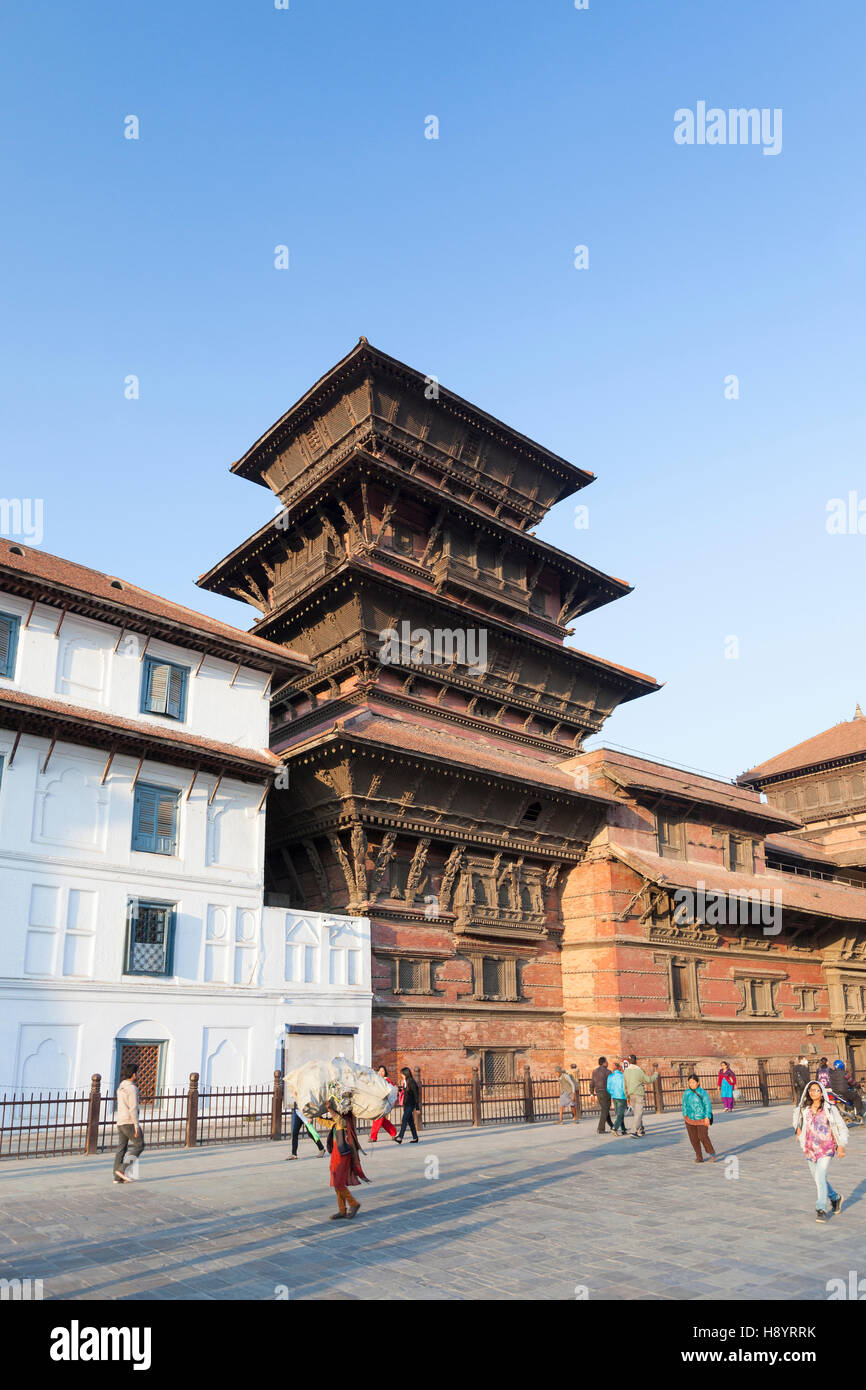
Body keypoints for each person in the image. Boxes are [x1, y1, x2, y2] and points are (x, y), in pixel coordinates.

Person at [793, 1080, 848, 1223]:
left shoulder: (830, 1109)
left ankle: (821, 1208)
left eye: (816, 1090)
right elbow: (797, 1121)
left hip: (826, 1148)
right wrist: (798, 1131)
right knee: (819, 1178)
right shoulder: (805, 1109)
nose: (813, 1092)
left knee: (820, 1176)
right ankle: (835, 1198)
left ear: (822, 1093)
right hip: (810, 1149)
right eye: (811, 1090)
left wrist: (841, 1145)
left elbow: (842, 1128)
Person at [322, 1085, 369, 1219]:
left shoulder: (345, 1118)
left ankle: (353, 1204)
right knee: (336, 1180)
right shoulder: (336, 1120)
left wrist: (330, 1110)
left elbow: (339, 1121)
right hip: (336, 1152)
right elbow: (328, 1123)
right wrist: (312, 1117)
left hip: (343, 1153)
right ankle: (342, 1210)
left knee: (338, 1181)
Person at [113, 1062, 144, 1184]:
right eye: (138, 1072)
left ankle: (117, 1177)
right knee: (139, 1145)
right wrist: (136, 1125)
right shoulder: (132, 1088)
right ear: (134, 1074)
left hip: (120, 1121)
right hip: (129, 1122)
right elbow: (133, 1108)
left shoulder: (121, 1086)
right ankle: (122, 1170)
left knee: (121, 1148)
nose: (138, 1074)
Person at [682, 1074, 716, 1163]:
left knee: (703, 1136)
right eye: (690, 1082)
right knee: (693, 1139)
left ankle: (711, 1153)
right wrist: (685, 1115)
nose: (691, 1084)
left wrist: (707, 1117)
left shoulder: (703, 1092)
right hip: (689, 1119)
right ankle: (699, 1156)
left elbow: (707, 1105)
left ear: (698, 1083)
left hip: (701, 1118)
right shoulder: (686, 1093)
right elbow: (684, 1105)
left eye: (693, 1082)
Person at [623, 1057, 658, 1138]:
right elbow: (648, 1080)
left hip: (631, 1094)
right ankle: (633, 1131)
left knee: (636, 1113)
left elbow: (624, 1085)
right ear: (636, 1061)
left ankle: (640, 1130)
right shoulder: (639, 1071)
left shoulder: (626, 1071)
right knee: (639, 1113)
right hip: (638, 1094)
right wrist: (655, 1074)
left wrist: (627, 1096)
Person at [370, 1066, 398, 1142]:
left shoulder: (387, 1080)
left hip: (384, 1103)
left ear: (385, 1073)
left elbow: (391, 1091)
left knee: (377, 1119)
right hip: (377, 1102)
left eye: (383, 1071)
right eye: (380, 1071)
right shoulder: (376, 1080)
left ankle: (373, 1137)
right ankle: (393, 1132)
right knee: (382, 1121)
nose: (381, 1072)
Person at [394, 1066, 421, 1143]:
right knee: (410, 1122)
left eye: (402, 1074)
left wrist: (417, 1108)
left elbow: (416, 1096)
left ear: (406, 1074)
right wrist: (399, 1089)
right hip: (406, 1104)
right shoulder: (406, 1082)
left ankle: (400, 1137)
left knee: (404, 1119)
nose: (401, 1075)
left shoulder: (412, 1082)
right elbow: (406, 1092)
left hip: (410, 1105)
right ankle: (415, 1137)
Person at [591, 1056, 614, 1135]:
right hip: (605, 1092)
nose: (608, 1063)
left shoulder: (594, 1071)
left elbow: (592, 1083)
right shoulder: (608, 1072)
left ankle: (612, 1125)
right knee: (605, 1109)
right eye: (606, 1062)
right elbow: (611, 1083)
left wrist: (591, 1093)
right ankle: (600, 1128)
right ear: (604, 1063)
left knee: (605, 1109)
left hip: (598, 1092)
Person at [607, 1062, 628, 1136]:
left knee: (619, 1113)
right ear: (619, 1068)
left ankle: (623, 1129)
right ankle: (614, 1128)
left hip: (614, 1096)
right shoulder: (623, 1076)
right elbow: (626, 1087)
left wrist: (612, 1093)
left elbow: (608, 1088)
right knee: (620, 1114)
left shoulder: (610, 1076)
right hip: (622, 1096)